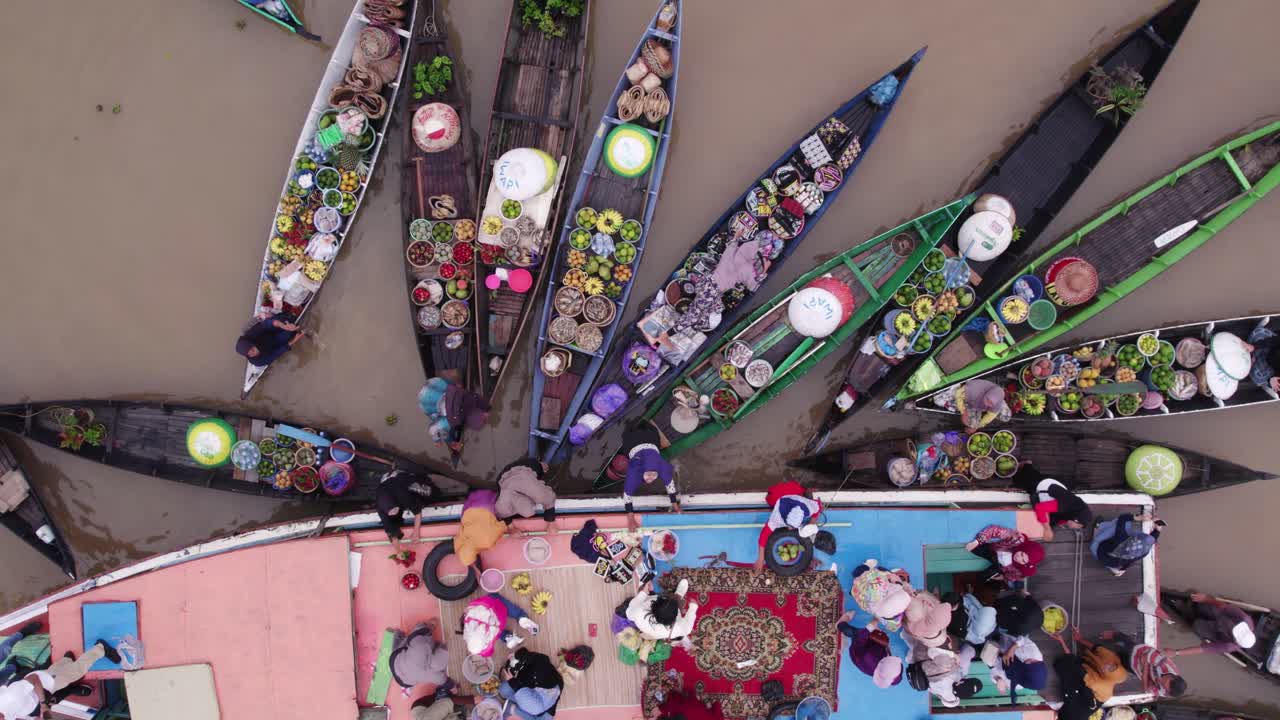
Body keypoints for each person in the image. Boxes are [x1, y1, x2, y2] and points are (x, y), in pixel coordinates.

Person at [0, 639, 120, 720]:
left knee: (78, 671)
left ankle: (101, 648)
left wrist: (43, 704)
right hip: (46, 689)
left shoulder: (10, 697)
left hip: (47, 682)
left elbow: (34, 679)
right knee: (55, 670)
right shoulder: (6, 715)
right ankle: (66, 660)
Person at [1078, 629, 1186, 698]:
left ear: (1167, 691)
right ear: (1172, 675)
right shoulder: (1164, 662)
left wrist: (1145, 669)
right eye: (1165, 679)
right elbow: (1144, 656)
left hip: (1136, 668)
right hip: (1137, 651)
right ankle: (1115, 635)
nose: (1161, 681)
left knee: (1117, 658)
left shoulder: (1166, 692)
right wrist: (1081, 640)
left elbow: (1146, 688)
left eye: (1163, 684)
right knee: (1123, 644)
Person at [620, 420, 681, 531]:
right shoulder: (634, 472)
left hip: (650, 440)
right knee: (631, 436)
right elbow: (627, 495)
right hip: (633, 441)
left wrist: (674, 504)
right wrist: (631, 519)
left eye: (653, 475)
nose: (650, 479)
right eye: (648, 475)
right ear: (641, 472)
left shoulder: (662, 468)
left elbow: (670, 485)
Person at [1009, 463, 1092, 540]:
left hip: (1053, 491)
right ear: (1076, 519)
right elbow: (1040, 508)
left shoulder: (1072, 512)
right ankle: (1024, 465)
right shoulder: (1067, 505)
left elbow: (1057, 519)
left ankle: (1027, 466)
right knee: (1021, 479)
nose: (1074, 528)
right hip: (1045, 486)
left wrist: (1050, 527)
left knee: (1034, 476)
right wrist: (1047, 529)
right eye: (1077, 526)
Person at [754, 479, 822, 571]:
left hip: (797, 497)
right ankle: (789, 485)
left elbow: (818, 507)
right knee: (770, 498)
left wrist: (811, 523)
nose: (789, 529)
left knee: (799, 490)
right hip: (781, 496)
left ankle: (801, 488)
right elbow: (763, 536)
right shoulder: (778, 514)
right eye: (790, 526)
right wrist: (760, 559)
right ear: (784, 519)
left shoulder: (808, 507)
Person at [418, 377, 491, 457]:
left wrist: (486, 408)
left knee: (454, 386)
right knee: (444, 432)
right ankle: (452, 443)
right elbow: (432, 429)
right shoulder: (447, 422)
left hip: (436, 383)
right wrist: (437, 440)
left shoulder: (469, 398)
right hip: (426, 402)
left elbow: (477, 399)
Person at [1168, 593, 1257, 657]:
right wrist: (1206, 598)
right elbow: (1224, 607)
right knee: (1203, 606)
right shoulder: (1245, 619)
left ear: (1236, 641)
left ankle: (1185, 612)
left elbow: (1203, 649)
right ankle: (1194, 605)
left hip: (1216, 631)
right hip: (1221, 616)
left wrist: (1176, 653)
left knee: (1197, 625)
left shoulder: (1228, 646)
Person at [1049, 631, 1127, 703]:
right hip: (1090, 662)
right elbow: (1096, 648)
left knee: (1060, 665)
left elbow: (1072, 660)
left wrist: (1061, 641)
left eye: (1109, 669)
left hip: (1086, 672)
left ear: (1105, 676)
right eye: (1113, 666)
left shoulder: (1094, 681)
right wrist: (1079, 639)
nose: (1108, 665)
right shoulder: (1112, 658)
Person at [376, 470, 440, 555]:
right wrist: (398, 551)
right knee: (393, 522)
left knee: (430, 493)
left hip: (399, 480)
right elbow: (391, 532)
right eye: (391, 512)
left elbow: (417, 511)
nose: (394, 512)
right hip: (387, 487)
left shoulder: (400, 493)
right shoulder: (381, 508)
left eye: (394, 510)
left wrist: (416, 532)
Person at [460, 593, 539, 659]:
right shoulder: (470, 634)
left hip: (496, 605)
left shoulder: (477, 614)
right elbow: (487, 651)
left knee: (512, 610)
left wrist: (491, 621)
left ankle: (521, 617)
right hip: (495, 622)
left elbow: (489, 652)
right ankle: (507, 636)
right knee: (497, 634)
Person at [836, 613, 902, 686]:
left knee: (852, 632)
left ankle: (841, 624)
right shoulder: (891, 675)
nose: (896, 657)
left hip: (858, 648)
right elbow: (897, 678)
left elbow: (860, 639)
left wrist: (871, 626)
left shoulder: (866, 657)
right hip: (872, 648)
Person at [965, 525, 1045, 586]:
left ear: (1026, 564)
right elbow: (995, 530)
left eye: (1023, 560)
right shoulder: (1016, 539)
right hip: (992, 551)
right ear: (1023, 547)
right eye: (1021, 553)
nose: (1018, 558)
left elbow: (1014, 577)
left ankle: (971, 583)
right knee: (971, 548)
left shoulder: (1022, 570)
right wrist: (978, 541)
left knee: (982, 578)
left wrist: (1003, 577)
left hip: (999, 566)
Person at [494, 457, 557, 534]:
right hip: (504, 477)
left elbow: (549, 498)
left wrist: (551, 522)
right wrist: (512, 529)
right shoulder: (503, 502)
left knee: (542, 467)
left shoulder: (537, 493)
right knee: (544, 467)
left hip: (527, 468)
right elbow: (503, 513)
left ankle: (538, 461)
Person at [1090, 513, 1164, 576]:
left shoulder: (1121, 539)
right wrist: (1157, 530)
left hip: (1099, 551)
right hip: (1114, 561)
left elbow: (1122, 518)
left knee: (1121, 525)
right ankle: (1113, 568)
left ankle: (1097, 529)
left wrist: (1138, 517)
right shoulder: (1143, 552)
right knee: (1120, 559)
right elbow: (1151, 540)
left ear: (1135, 539)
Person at [982, 632, 1047, 704]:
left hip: (993, 646)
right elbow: (1023, 639)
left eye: (1028, 668)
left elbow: (995, 670)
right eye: (1033, 663)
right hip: (1008, 634)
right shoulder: (1035, 654)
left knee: (988, 659)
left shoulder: (1017, 684)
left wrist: (998, 679)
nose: (1029, 662)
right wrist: (1013, 648)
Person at [626, 578, 698, 641]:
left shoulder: (640, 612)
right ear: (675, 617)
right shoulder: (678, 628)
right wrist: (693, 607)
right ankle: (678, 595)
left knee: (644, 596)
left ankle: (674, 596)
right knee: (675, 599)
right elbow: (688, 628)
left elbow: (629, 613)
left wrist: (644, 592)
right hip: (653, 631)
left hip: (646, 621)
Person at [499, 648, 563, 720]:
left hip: (546, 704)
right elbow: (541, 658)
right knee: (503, 690)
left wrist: (512, 682)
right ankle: (513, 708)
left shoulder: (537, 708)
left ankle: (512, 708)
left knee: (505, 690)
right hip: (538, 694)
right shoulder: (542, 674)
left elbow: (520, 691)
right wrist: (517, 656)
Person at [390, 620, 449, 689]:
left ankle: (398, 636)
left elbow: (443, 680)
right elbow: (442, 679)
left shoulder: (417, 641)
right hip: (404, 678)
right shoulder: (431, 672)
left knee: (403, 644)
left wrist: (427, 627)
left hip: (396, 662)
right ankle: (398, 637)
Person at [235, 313, 308, 367]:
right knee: (288, 334)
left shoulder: (250, 335)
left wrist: (285, 326)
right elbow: (275, 354)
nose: (252, 353)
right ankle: (294, 329)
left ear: (251, 343)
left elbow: (266, 324)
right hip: (274, 344)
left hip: (268, 332)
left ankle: (291, 317)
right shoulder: (257, 362)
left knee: (286, 319)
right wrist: (294, 340)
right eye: (249, 353)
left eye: (251, 348)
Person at [408, 682, 476, 720]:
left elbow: (447, 702)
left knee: (447, 696)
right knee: (459, 713)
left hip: (423, 705)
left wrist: (472, 699)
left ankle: (441, 692)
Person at [1242, 326, 1280, 394]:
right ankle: (1249, 353)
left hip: (1269, 368)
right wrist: (1254, 346)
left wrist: (1270, 380)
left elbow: (1276, 386)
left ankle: (1248, 360)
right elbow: (1276, 340)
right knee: (1259, 333)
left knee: (1258, 378)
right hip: (1269, 347)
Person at [650, 688, 724, 720]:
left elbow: (716, 704)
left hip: (690, 704)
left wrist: (708, 704)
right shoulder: (672, 709)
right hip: (685, 705)